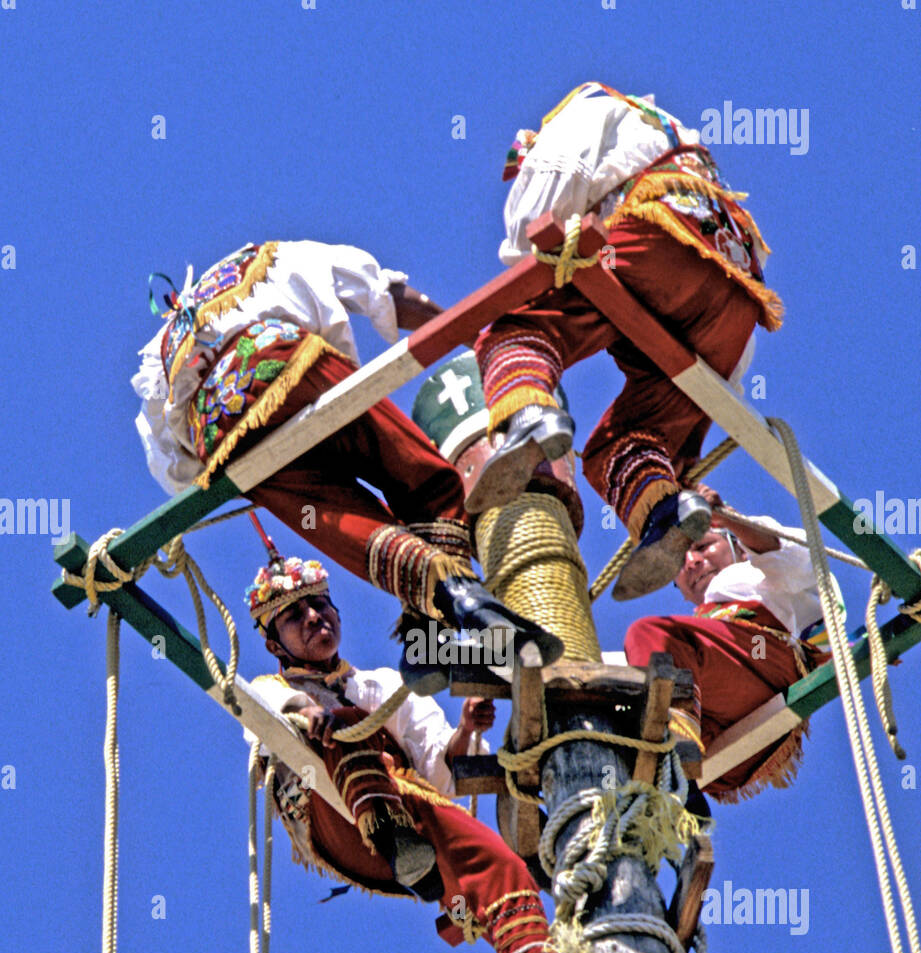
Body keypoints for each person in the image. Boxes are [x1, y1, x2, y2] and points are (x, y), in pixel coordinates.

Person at [131, 237, 561, 689]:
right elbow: (383, 295)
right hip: (288, 368)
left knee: (347, 522)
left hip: (227, 440)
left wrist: (263, 482)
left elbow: (175, 473)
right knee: (425, 481)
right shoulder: (264, 256)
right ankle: (450, 619)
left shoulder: (157, 359)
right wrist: (475, 339)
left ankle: (435, 635)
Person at [243, 545, 565, 953]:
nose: (314, 618)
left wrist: (466, 729)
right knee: (346, 722)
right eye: (295, 616)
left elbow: (440, 768)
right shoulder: (264, 688)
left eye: (321, 605)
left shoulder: (383, 685)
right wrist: (315, 711)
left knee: (500, 864)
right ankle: (394, 840)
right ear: (273, 642)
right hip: (341, 820)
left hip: (410, 809)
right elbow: (277, 711)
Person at [469, 81, 783, 600]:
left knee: (517, 330)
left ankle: (529, 419)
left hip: (655, 249)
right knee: (630, 443)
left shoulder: (588, 111)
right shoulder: (678, 140)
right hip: (736, 302)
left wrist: (527, 262)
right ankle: (667, 512)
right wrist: (717, 390)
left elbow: (538, 217)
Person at [621, 486, 840, 802]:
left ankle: (669, 745)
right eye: (679, 562)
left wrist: (725, 517)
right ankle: (674, 783)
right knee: (639, 667)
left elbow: (785, 554)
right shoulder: (694, 633)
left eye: (704, 546)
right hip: (726, 752)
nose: (693, 562)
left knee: (650, 635)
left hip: (763, 660)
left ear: (736, 547)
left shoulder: (754, 570)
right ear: (679, 589)